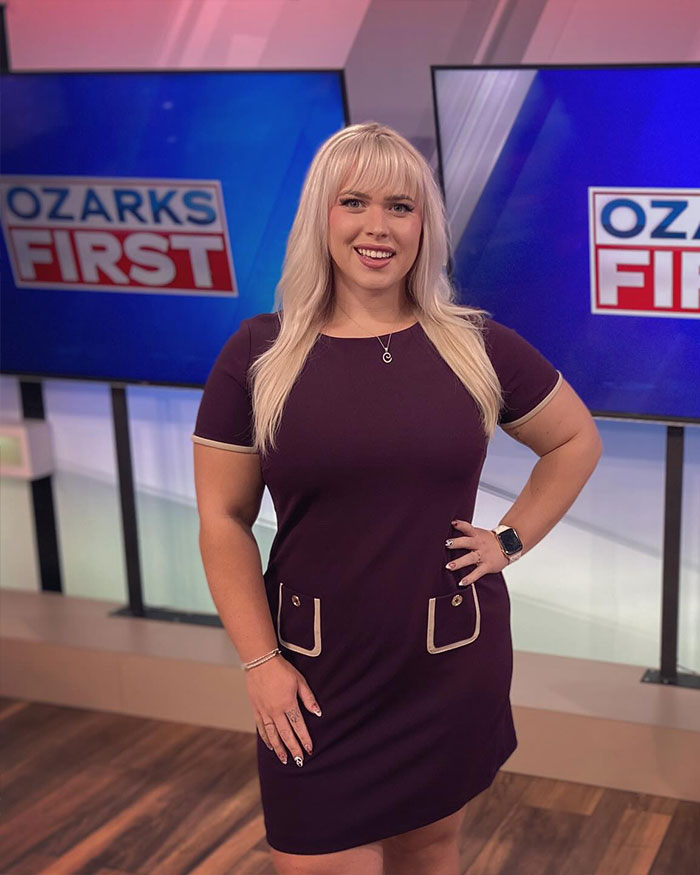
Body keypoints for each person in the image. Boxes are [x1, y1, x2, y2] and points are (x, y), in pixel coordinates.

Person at [191, 121, 602, 875]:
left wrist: (508, 540)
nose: (378, 227)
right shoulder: (258, 352)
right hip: (313, 679)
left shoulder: (475, 344)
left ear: (425, 226)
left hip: (446, 666)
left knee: (430, 848)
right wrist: (259, 663)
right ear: (322, 215)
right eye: (354, 202)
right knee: (311, 858)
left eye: (401, 206)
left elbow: (575, 441)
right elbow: (222, 519)